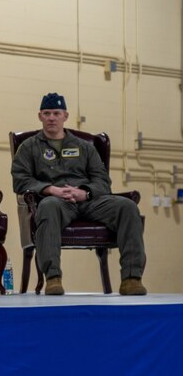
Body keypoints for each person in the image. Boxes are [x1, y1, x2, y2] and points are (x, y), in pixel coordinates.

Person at [10, 93, 147, 296]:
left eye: (56, 113)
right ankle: (53, 278)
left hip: (89, 200)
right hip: (56, 201)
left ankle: (131, 279)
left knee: (128, 207)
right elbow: (20, 180)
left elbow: (102, 180)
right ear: (39, 116)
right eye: (47, 113)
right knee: (47, 206)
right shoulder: (28, 147)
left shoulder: (85, 147)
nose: (51, 118)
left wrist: (85, 193)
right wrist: (50, 189)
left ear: (65, 115)